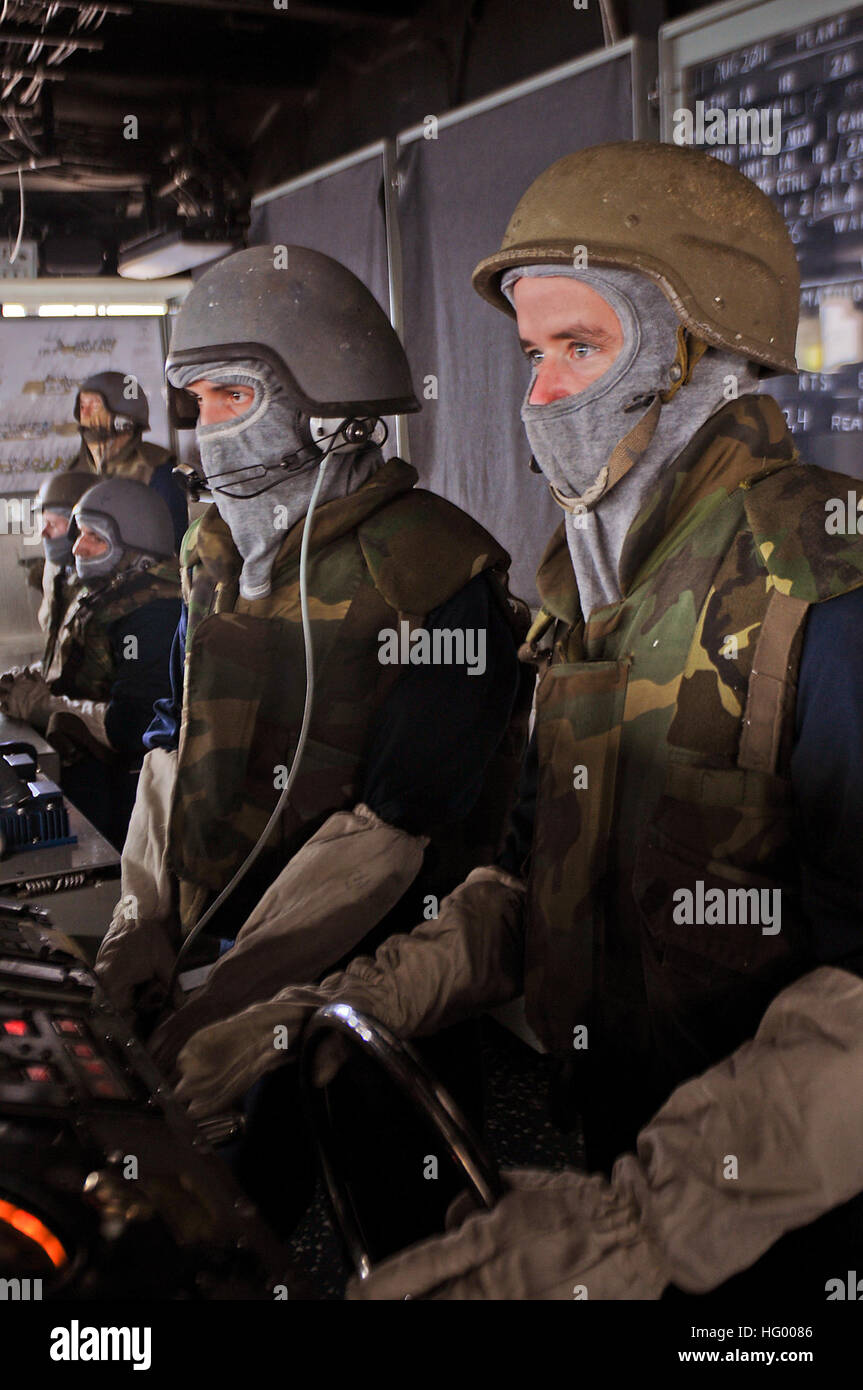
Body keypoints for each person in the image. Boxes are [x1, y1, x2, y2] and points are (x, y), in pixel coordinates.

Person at [169, 143, 863, 1301]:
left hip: (786, 1230)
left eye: (579, 348)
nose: (536, 393)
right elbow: (523, 885)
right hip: (634, 1163)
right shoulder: (595, 597)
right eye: (531, 353)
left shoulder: (822, 581)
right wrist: (347, 1001)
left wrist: (639, 1225)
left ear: (702, 358)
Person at [92, 244, 529, 1232]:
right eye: (191, 402)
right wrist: (143, 924)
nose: (202, 436)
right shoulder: (212, 559)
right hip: (217, 972)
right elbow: (170, 742)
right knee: (232, 1233)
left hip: (379, 999)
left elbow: (391, 834)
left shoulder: (436, 573)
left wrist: (229, 1015)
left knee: (409, 1235)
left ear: (330, 409)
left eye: (229, 397)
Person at [0, 477, 182, 850]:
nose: (78, 547)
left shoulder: (153, 612)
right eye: (79, 534)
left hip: (127, 788)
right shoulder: (111, 593)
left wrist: (41, 705)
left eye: (94, 537)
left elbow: (130, 726)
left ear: (135, 545)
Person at [69, 370, 188, 549]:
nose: (84, 413)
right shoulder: (77, 469)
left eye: (93, 405)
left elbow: (173, 541)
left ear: (122, 419)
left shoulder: (156, 470)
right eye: (82, 405)